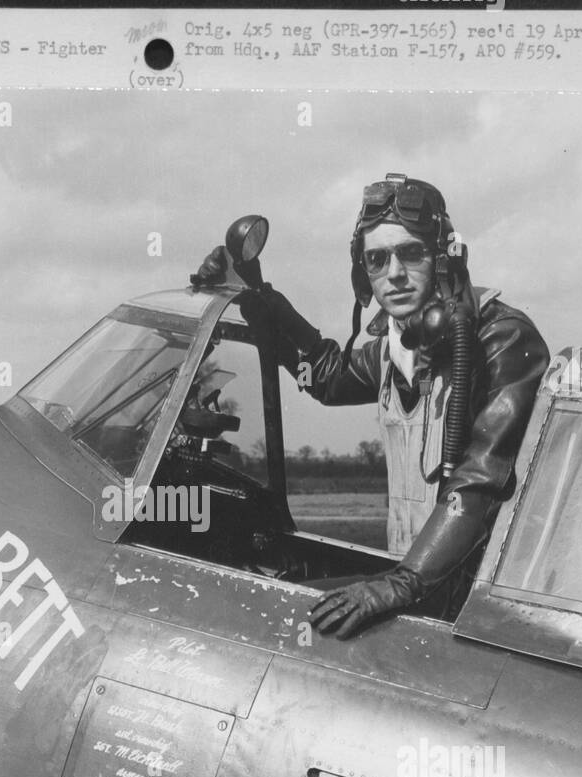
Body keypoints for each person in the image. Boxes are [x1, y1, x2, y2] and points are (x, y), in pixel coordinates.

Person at [196, 173, 549, 637]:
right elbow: (323, 376)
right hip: (415, 590)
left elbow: (481, 480)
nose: (395, 274)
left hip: (476, 608)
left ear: (444, 260)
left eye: (412, 253)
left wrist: (399, 585)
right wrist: (259, 297)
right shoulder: (393, 349)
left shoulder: (498, 339)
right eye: (377, 260)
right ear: (364, 274)